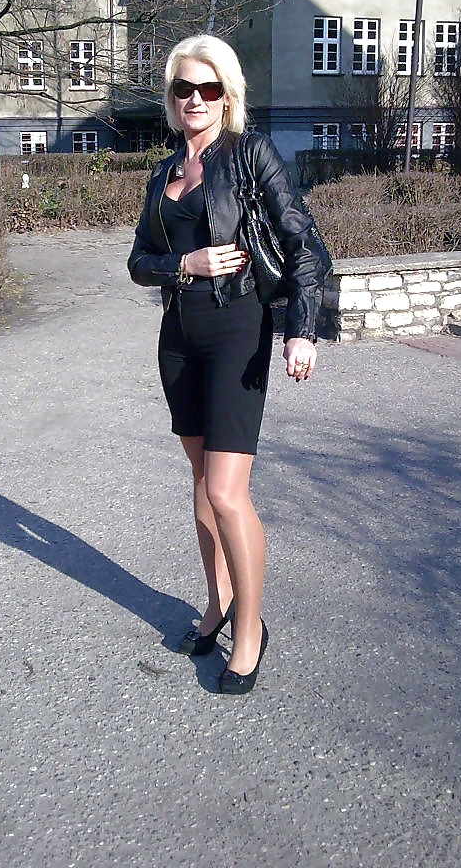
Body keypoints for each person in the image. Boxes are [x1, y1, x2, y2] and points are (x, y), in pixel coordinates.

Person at [128, 34, 329, 694]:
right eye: (183, 88)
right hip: (178, 337)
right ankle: (216, 604)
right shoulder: (162, 173)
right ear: (171, 96)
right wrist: (181, 263)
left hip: (238, 330)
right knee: (199, 480)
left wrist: (301, 330)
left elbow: (304, 243)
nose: (195, 99)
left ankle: (249, 628)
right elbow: (138, 262)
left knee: (225, 490)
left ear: (227, 95)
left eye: (208, 88)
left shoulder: (249, 154)